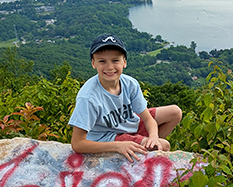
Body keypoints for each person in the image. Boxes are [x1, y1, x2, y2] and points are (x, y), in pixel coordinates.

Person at [69, 34, 182, 162]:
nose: (110, 67)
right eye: (102, 61)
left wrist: (154, 137)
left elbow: (148, 119)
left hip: (128, 123)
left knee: (175, 112)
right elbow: (77, 144)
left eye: (115, 60)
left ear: (124, 62)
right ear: (93, 63)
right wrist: (117, 146)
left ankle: (145, 146)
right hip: (109, 137)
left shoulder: (130, 83)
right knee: (165, 145)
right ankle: (144, 150)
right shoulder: (88, 97)